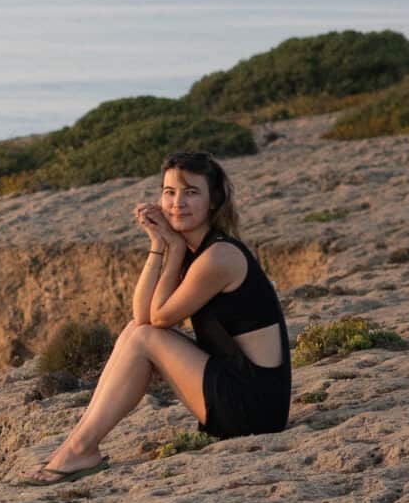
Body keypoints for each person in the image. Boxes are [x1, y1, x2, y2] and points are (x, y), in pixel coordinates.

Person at [31, 149, 290, 483]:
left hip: (255, 407)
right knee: (133, 330)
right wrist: (160, 244)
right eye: (169, 192)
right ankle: (76, 447)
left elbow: (159, 318)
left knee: (144, 337)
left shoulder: (219, 257)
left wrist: (175, 247)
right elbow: (141, 315)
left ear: (214, 201)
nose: (177, 203)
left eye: (191, 192)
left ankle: (80, 449)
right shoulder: (200, 251)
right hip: (237, 390)